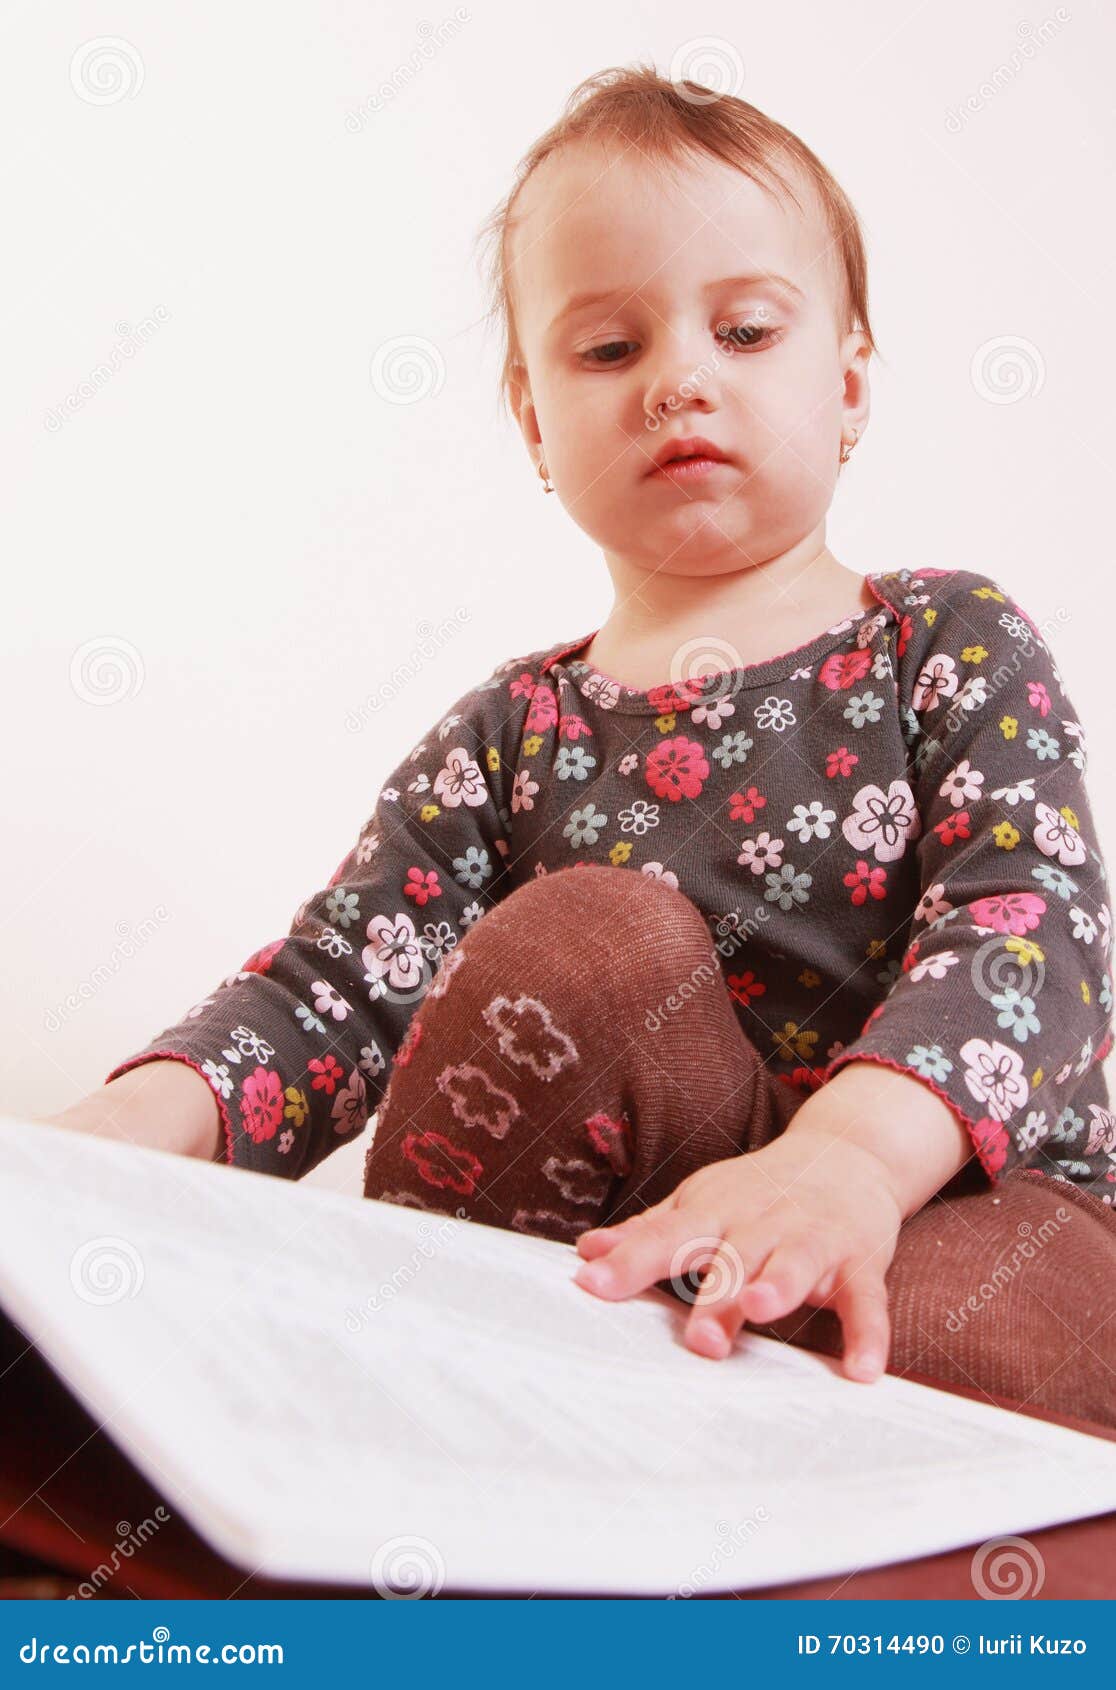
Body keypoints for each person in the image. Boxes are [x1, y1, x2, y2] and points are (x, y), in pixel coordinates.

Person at [44, 64, 1116, 1426]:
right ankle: (472, 1405)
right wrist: (100, 1152)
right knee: (580, 943)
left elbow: (1033, 936)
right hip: (631, 1258)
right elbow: (329, 994)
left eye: (743, 331)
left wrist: (844, 1163)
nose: (678, 380)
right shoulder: (508, 736)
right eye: (611, 350)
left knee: (992, 1330)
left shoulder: (947, 641)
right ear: (538, 421)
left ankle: (671, 1410)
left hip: (958, 1213)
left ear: (849, 387)